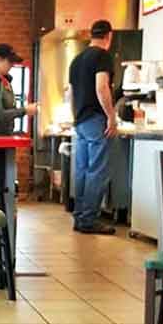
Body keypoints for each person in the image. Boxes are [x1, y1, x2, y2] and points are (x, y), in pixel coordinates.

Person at [68, 19, 117, 235]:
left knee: (82, 170)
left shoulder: (77, 60)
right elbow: (101, 87)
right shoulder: (102, 56)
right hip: (96, 119)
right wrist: (111, 116)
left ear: (91, 34)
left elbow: (70, 93)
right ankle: (88, 220)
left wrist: (75, 117)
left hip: (80, 120)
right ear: (109, 36)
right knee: (97, 170)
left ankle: (80, 217)